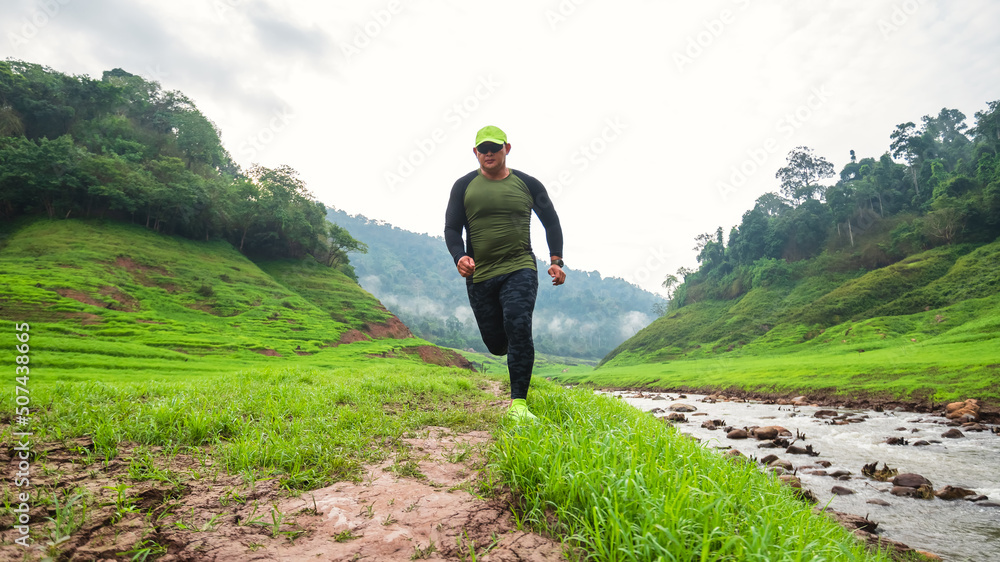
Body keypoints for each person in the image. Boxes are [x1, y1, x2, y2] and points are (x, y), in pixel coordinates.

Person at [444, 125, 566, 421]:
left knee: (518, 324)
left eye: (494, 148)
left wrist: (556, 261)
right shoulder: (463, 186)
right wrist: (460, 256)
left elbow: (551, 222)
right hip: (480, 275)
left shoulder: (529, 184)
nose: (488, 153)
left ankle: (519, 405)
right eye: (482, 149)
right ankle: (514, 348)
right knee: (497, 343)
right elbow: (451, 228)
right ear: (475, 153)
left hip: (519, 267)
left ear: (506, 149)